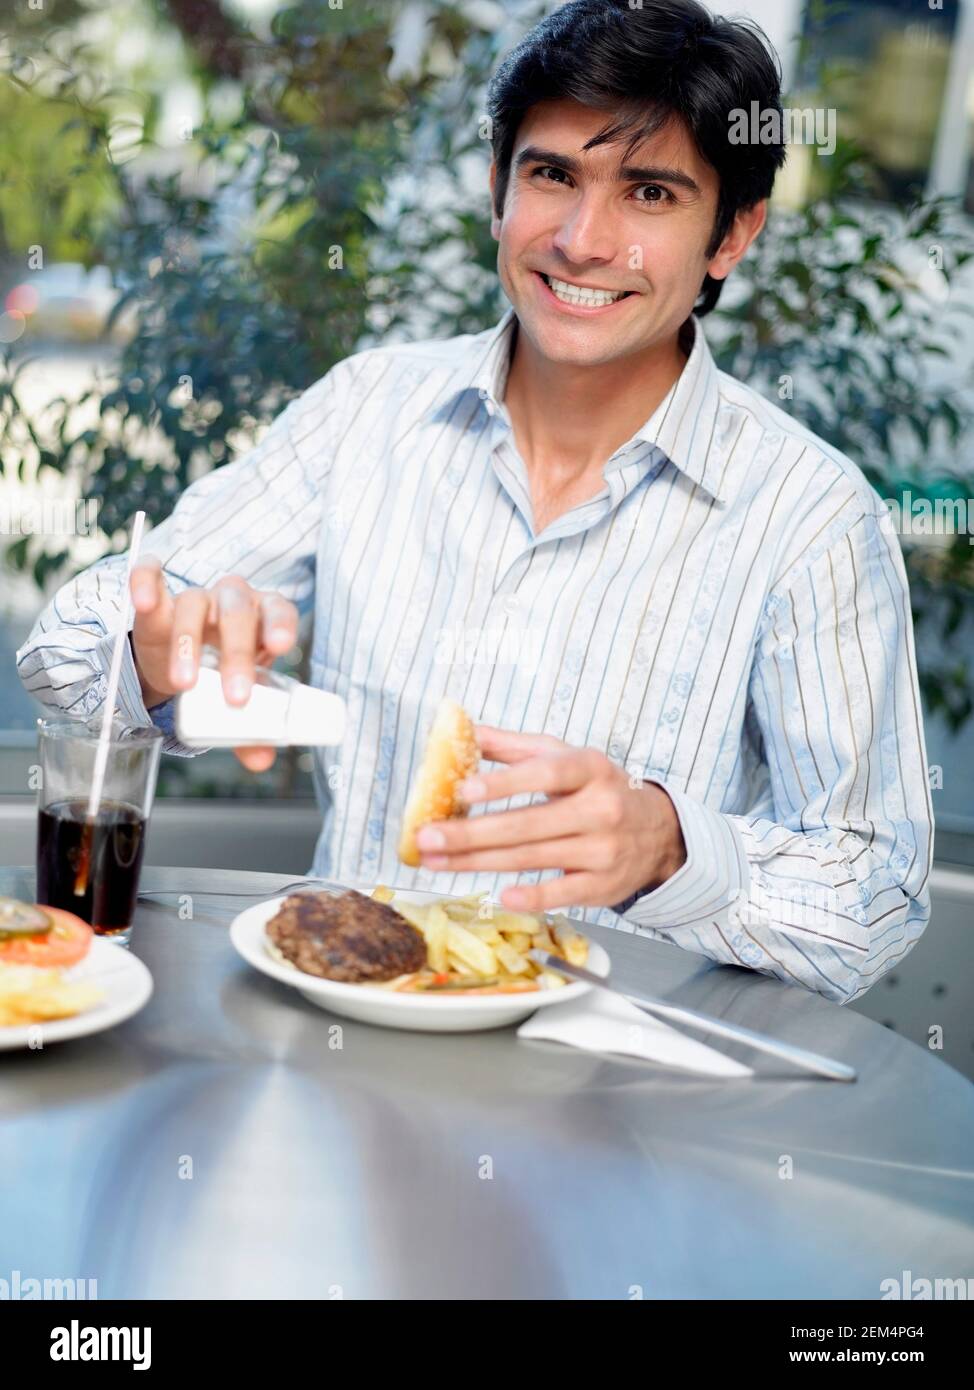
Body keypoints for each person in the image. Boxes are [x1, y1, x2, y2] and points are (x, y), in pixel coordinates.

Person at [17, 0, 933, 1002]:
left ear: (729, 235)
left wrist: (670, 847)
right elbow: (63, 657)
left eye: (650, 192)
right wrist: (147, 659)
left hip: (616, 1113)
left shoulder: (809, 516)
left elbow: (874, 897)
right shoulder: (368, 411)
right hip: (339, 1049)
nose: (584, 240)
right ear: (498, 191)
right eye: (551, 175)